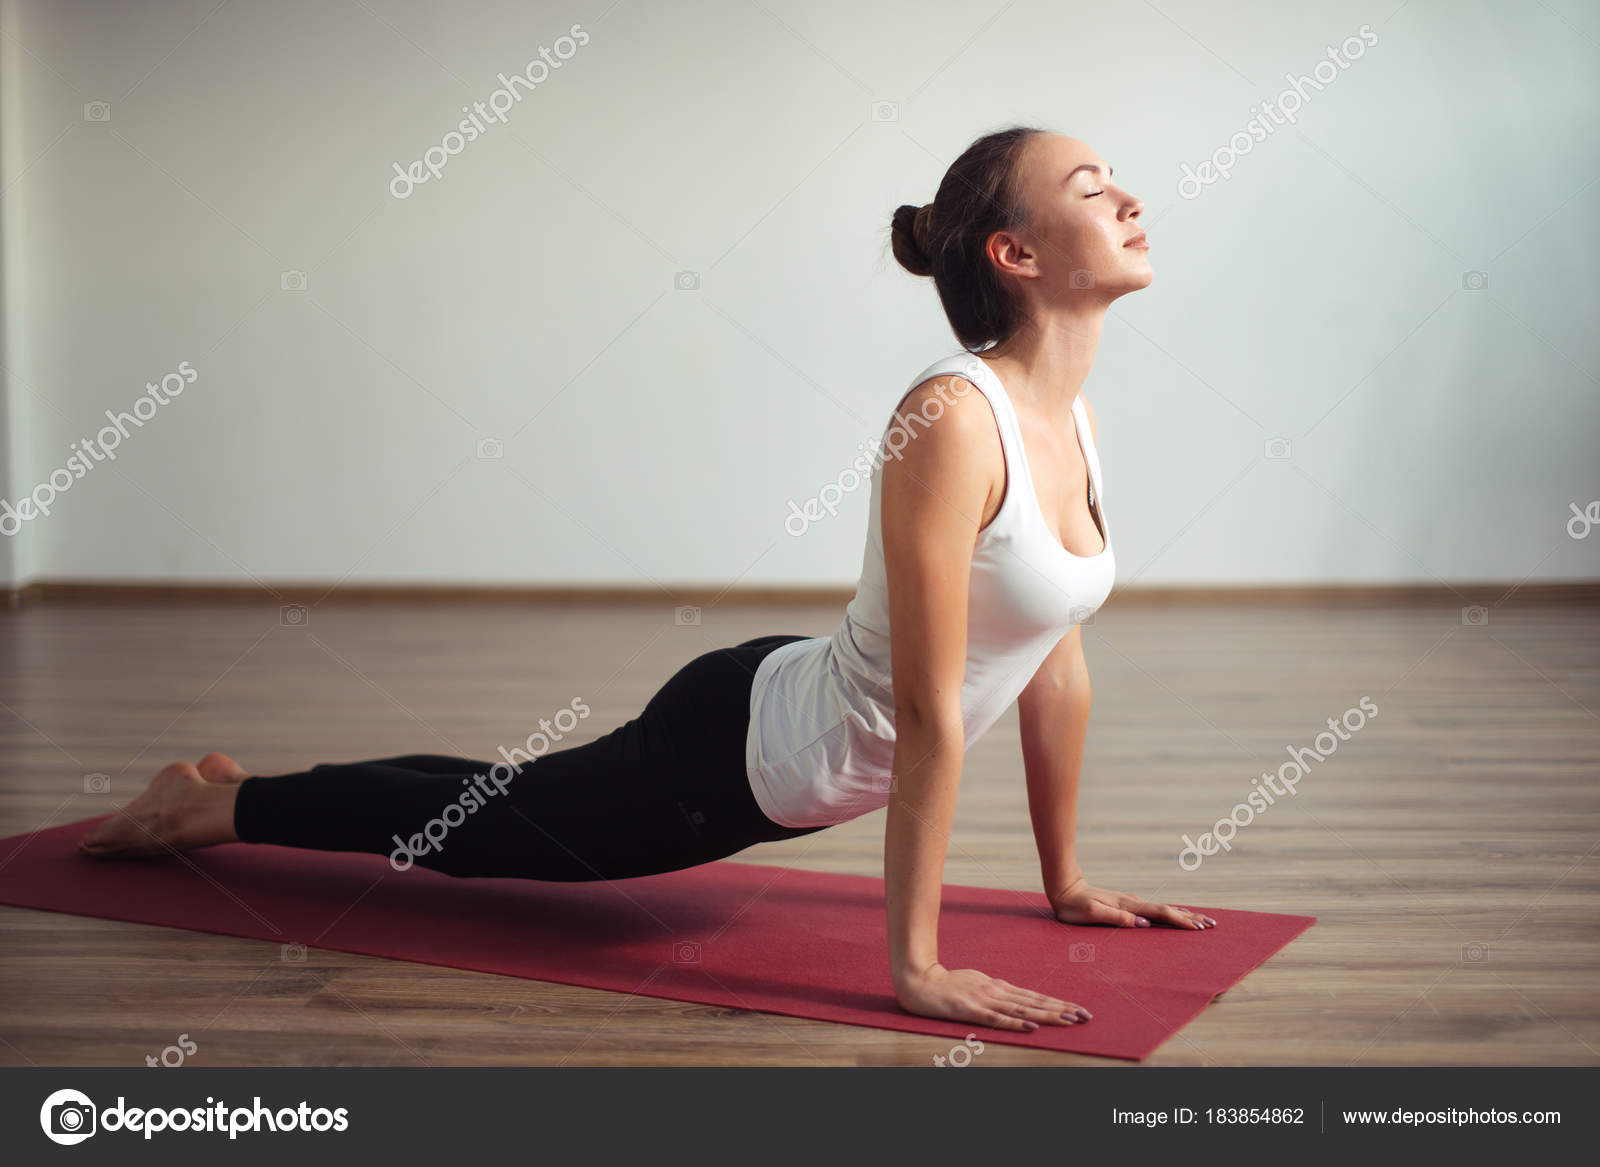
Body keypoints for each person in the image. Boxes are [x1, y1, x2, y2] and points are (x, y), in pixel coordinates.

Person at [80, 125, 1216, 1035]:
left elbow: (1051, 651)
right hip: (738, 754)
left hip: (788, 708)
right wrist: (913, 968)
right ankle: (216, 807)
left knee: (508, 795)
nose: (1128, 200)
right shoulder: (951, 419)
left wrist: (1065, 880)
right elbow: (927, 711)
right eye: (1089, 186)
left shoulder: (1066, 417)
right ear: (1013, 255)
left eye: (1117, 181)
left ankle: (230, 788)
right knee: (489, 834)